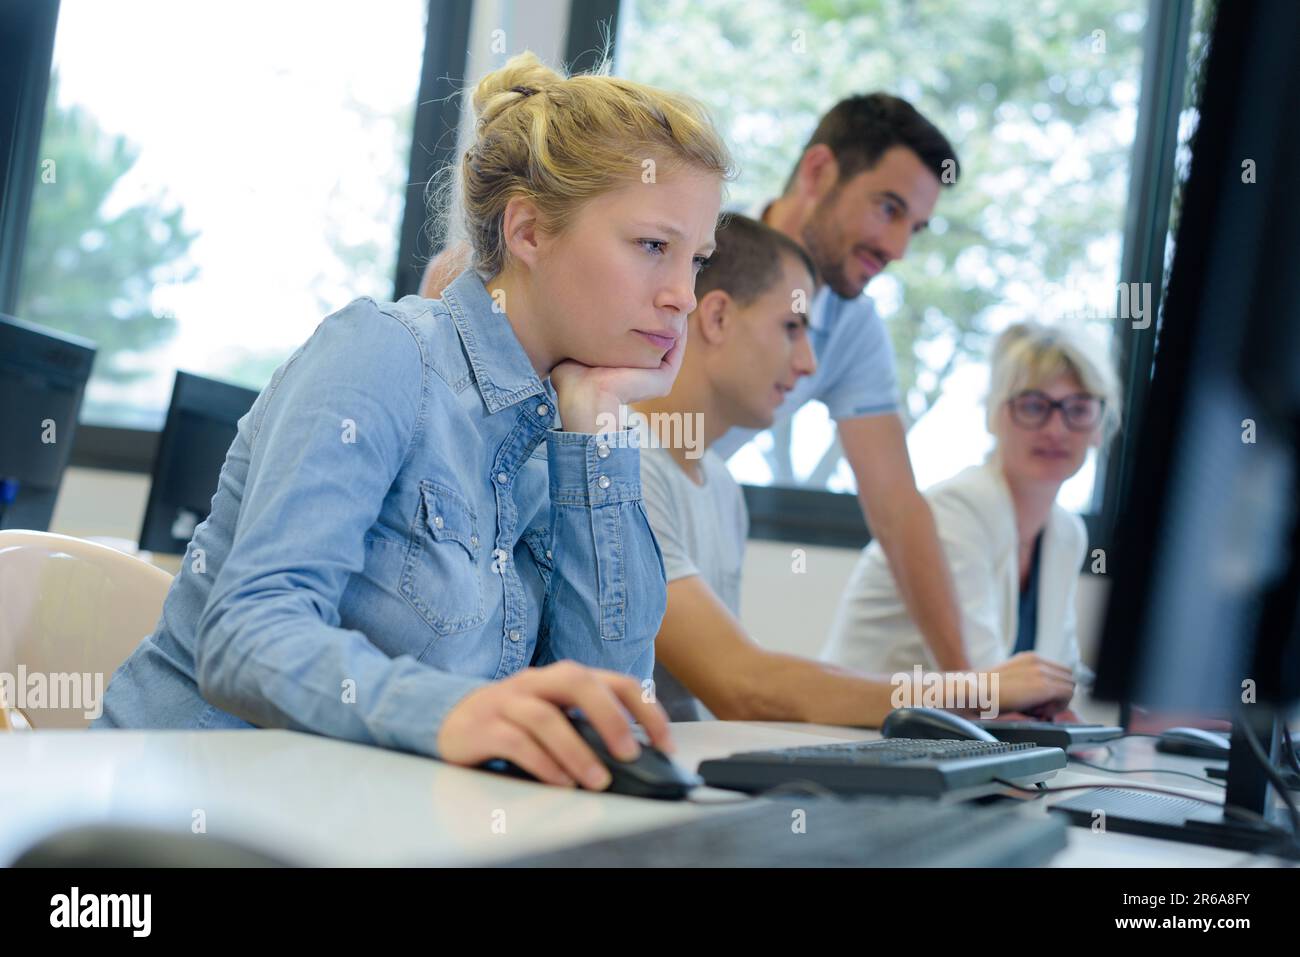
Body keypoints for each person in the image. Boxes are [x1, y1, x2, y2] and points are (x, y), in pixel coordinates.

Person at [93, 51, 734, 792]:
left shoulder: (565, 424)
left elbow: (610, 718)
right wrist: (456, 713)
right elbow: (246, 636)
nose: (683, 297)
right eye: (654, 247)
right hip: (184, 817)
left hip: (374, 827)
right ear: (527, 231)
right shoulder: (385, 353)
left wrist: (593, 434)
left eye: (697, 260)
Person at [424, 93, 978, 675]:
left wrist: (969, 688)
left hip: (641, 479)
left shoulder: (722, 474)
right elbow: (487, 282)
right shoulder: (693, 210)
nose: (897, 248)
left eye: (915, 227)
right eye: (887, 209)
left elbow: (897, 505)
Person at [635, 215, 1076, 724]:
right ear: (716, 318)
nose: (809, 365)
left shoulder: (721, 487)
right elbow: (743, 686)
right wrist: (975, 690)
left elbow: (749, 680)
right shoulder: (628, 466)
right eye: (792, 328)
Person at [822, 320, 1122, 722]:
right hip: (858, 735)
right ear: (994, 416)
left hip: (951, 746)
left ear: (1100, 425)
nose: (1056, 429)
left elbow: (1052, 679)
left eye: (1078, 409)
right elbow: (983, 686)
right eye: (1034, 406)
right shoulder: (957, 507)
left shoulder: (1066, 534)